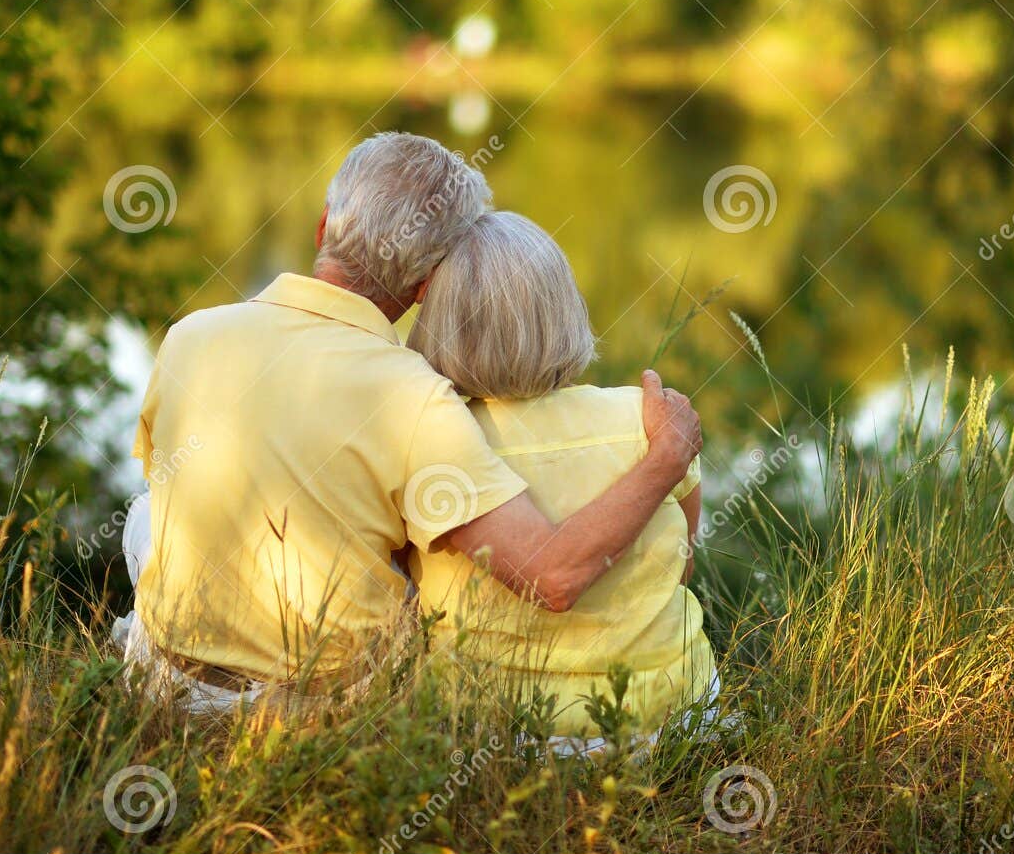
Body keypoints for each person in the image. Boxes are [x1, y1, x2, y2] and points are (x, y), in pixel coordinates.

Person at [119, 132, 701, 710]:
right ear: (428, 285)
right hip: (324, 706)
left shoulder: (189, 337)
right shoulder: (416, 397)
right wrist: (665, 460)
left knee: (148, 511)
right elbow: (551, 577)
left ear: (323, 227)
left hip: (171, 677)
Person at [408, 211, 715, 752]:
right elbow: (682, 566)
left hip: (492, 729)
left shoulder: (432, 440)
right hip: (672, 719)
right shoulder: (650, 421)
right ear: (565, 312)